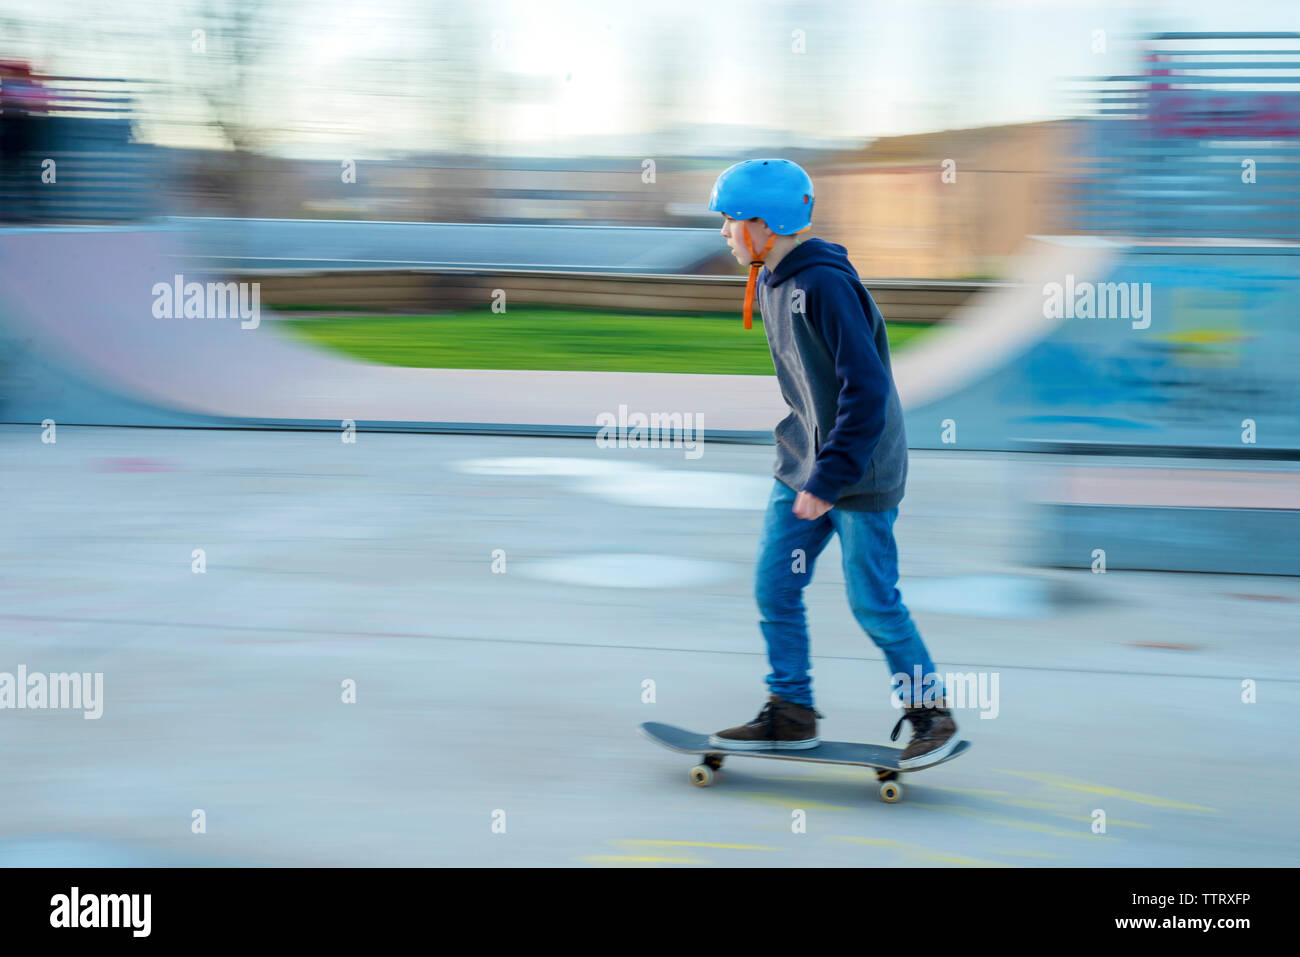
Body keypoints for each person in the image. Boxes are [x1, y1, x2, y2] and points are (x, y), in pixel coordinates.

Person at [706, 158, 960, 768]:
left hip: (860, 467)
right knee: (775, 583)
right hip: (804, 459)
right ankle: (791, 713)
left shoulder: (824, 285)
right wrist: (808, 467)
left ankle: (931, 714)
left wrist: (831, 477)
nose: (722, 233)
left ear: (765, 223)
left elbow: (866, 390)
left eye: (729, 220)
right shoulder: (771, 278)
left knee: (873, 600)